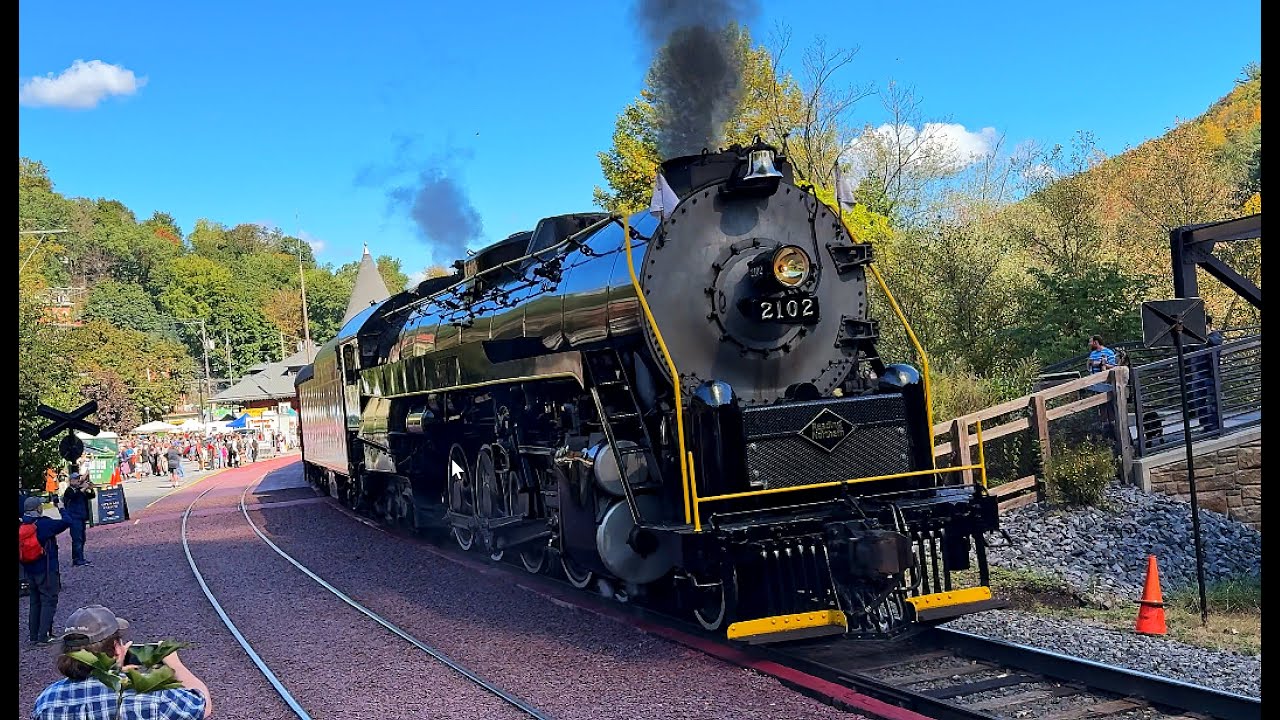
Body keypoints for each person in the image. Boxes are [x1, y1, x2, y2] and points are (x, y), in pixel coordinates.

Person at [33, 604, 212, 719]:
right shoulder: (150, 693)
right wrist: (174, 664)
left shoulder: (46, 702)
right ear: (117, 648)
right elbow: (202, 705)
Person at [21, 496, 71, 645]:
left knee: (35, 602)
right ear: (38, 508)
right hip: (46, 569)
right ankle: (44, 636)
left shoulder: (23, 525)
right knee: (49, 600)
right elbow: (68, 522)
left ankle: (34, 636)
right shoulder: (44, 524)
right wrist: (60, 507)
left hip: (30, 569)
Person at [61, 472, 95, 566]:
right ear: (71, 481)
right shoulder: (69, 491)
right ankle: (77, 559)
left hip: (81, 517)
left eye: (78, 479)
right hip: (74, 518)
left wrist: (90, 489)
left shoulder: (79, 490)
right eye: (76, 479)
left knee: (82, 539)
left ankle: (80, 558)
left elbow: (91, 496)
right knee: (77, 539)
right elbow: (73, 496)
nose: (78, 480)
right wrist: (83, 488)